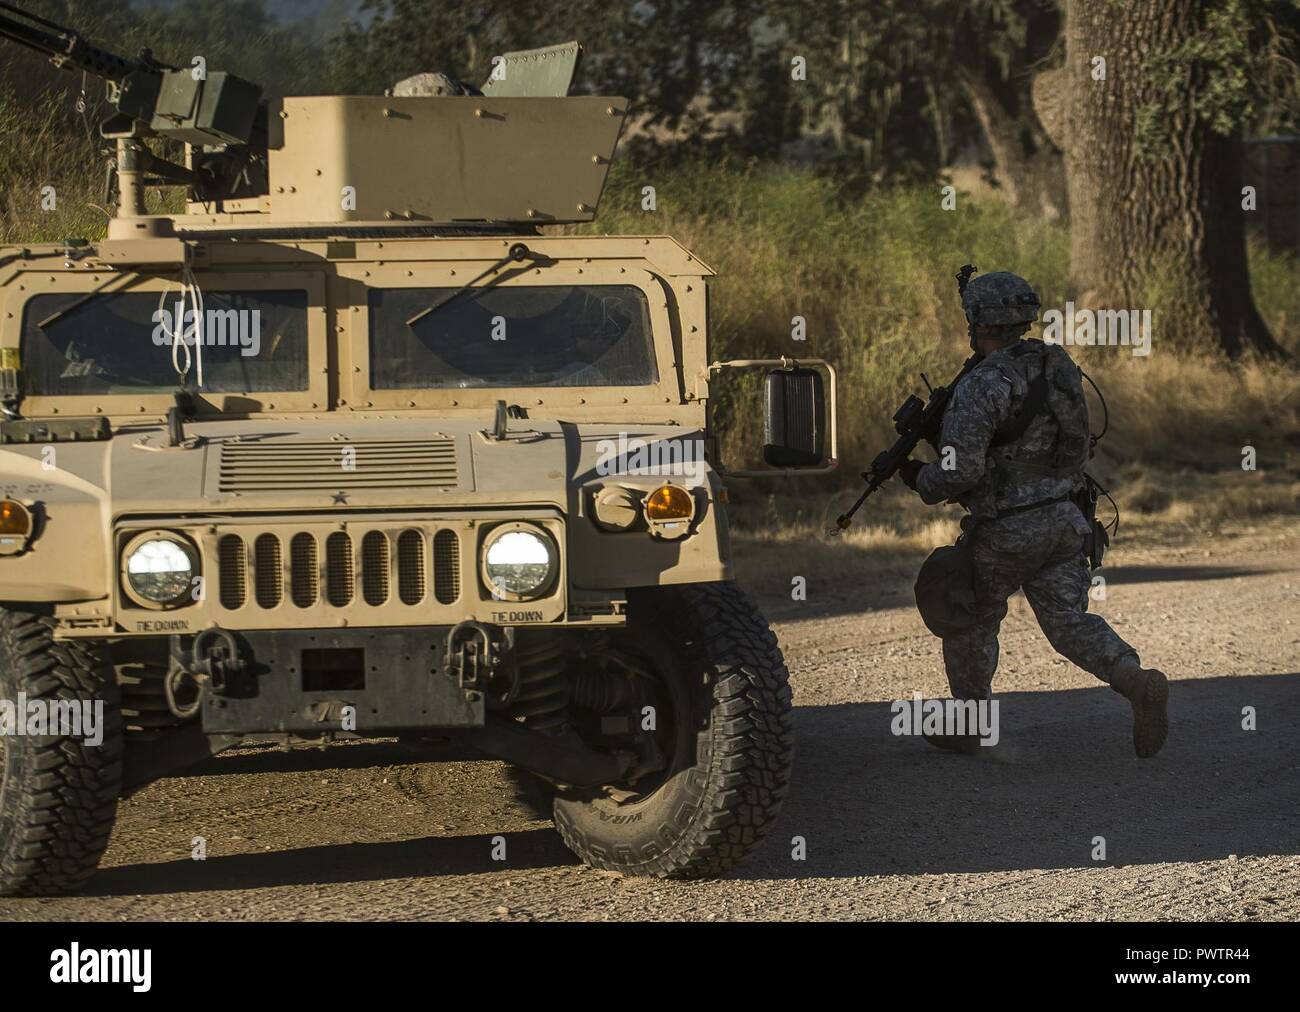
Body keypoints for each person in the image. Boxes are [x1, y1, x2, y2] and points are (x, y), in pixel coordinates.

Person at [896, 271, 1168, 758]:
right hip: (1066, 520)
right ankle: (1135, 679)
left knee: (970, 618)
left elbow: (959, 472)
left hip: (1007, 530)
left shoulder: (983, 384)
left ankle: (971, 722)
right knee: (1067, 620)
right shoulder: (1056, 364)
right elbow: (1078, 443)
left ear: (978, 320)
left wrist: (919, 479)